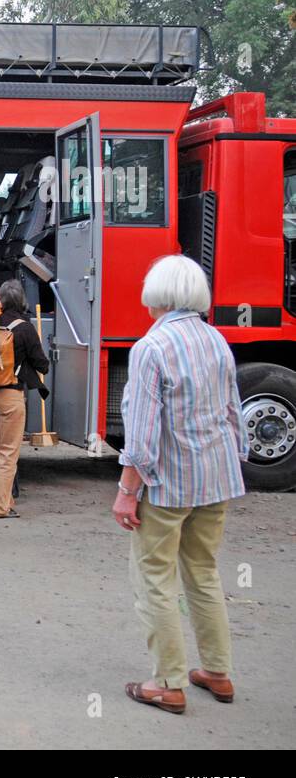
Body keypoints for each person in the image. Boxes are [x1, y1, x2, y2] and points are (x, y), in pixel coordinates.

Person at [116, 254, 246, 714]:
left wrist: (127, 490)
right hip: (216, 478)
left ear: (157, 293)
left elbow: (144, 432)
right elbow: (233, 412)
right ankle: (217, 670)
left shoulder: (152, 348)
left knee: (154, 578)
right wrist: (236, 461)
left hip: (169, 484)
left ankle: (168, 682)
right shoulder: (216, 340)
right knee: (204, 572)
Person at [0, 279, 49, 518]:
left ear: (0, 298)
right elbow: (42, 364)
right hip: (10, 396)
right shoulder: (25, 327)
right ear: (21, 301)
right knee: (9, 453)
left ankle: (4, 501)